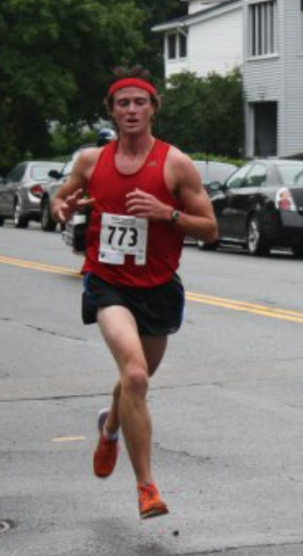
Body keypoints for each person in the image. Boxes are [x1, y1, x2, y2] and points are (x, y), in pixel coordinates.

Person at [51, 67, 218, 521]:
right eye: (122, 103)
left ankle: (109, 427)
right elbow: (60, 199)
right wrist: (62, 207)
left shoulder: (174, 163)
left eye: (139, 102)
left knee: (133, 379)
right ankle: (147, 488)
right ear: (111, 111)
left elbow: (211, 228)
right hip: (107, 283)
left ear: (153, 109)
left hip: (158, 288)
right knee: (137, 376)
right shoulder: (91, 161)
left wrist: (168, 214)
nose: (130, 110)